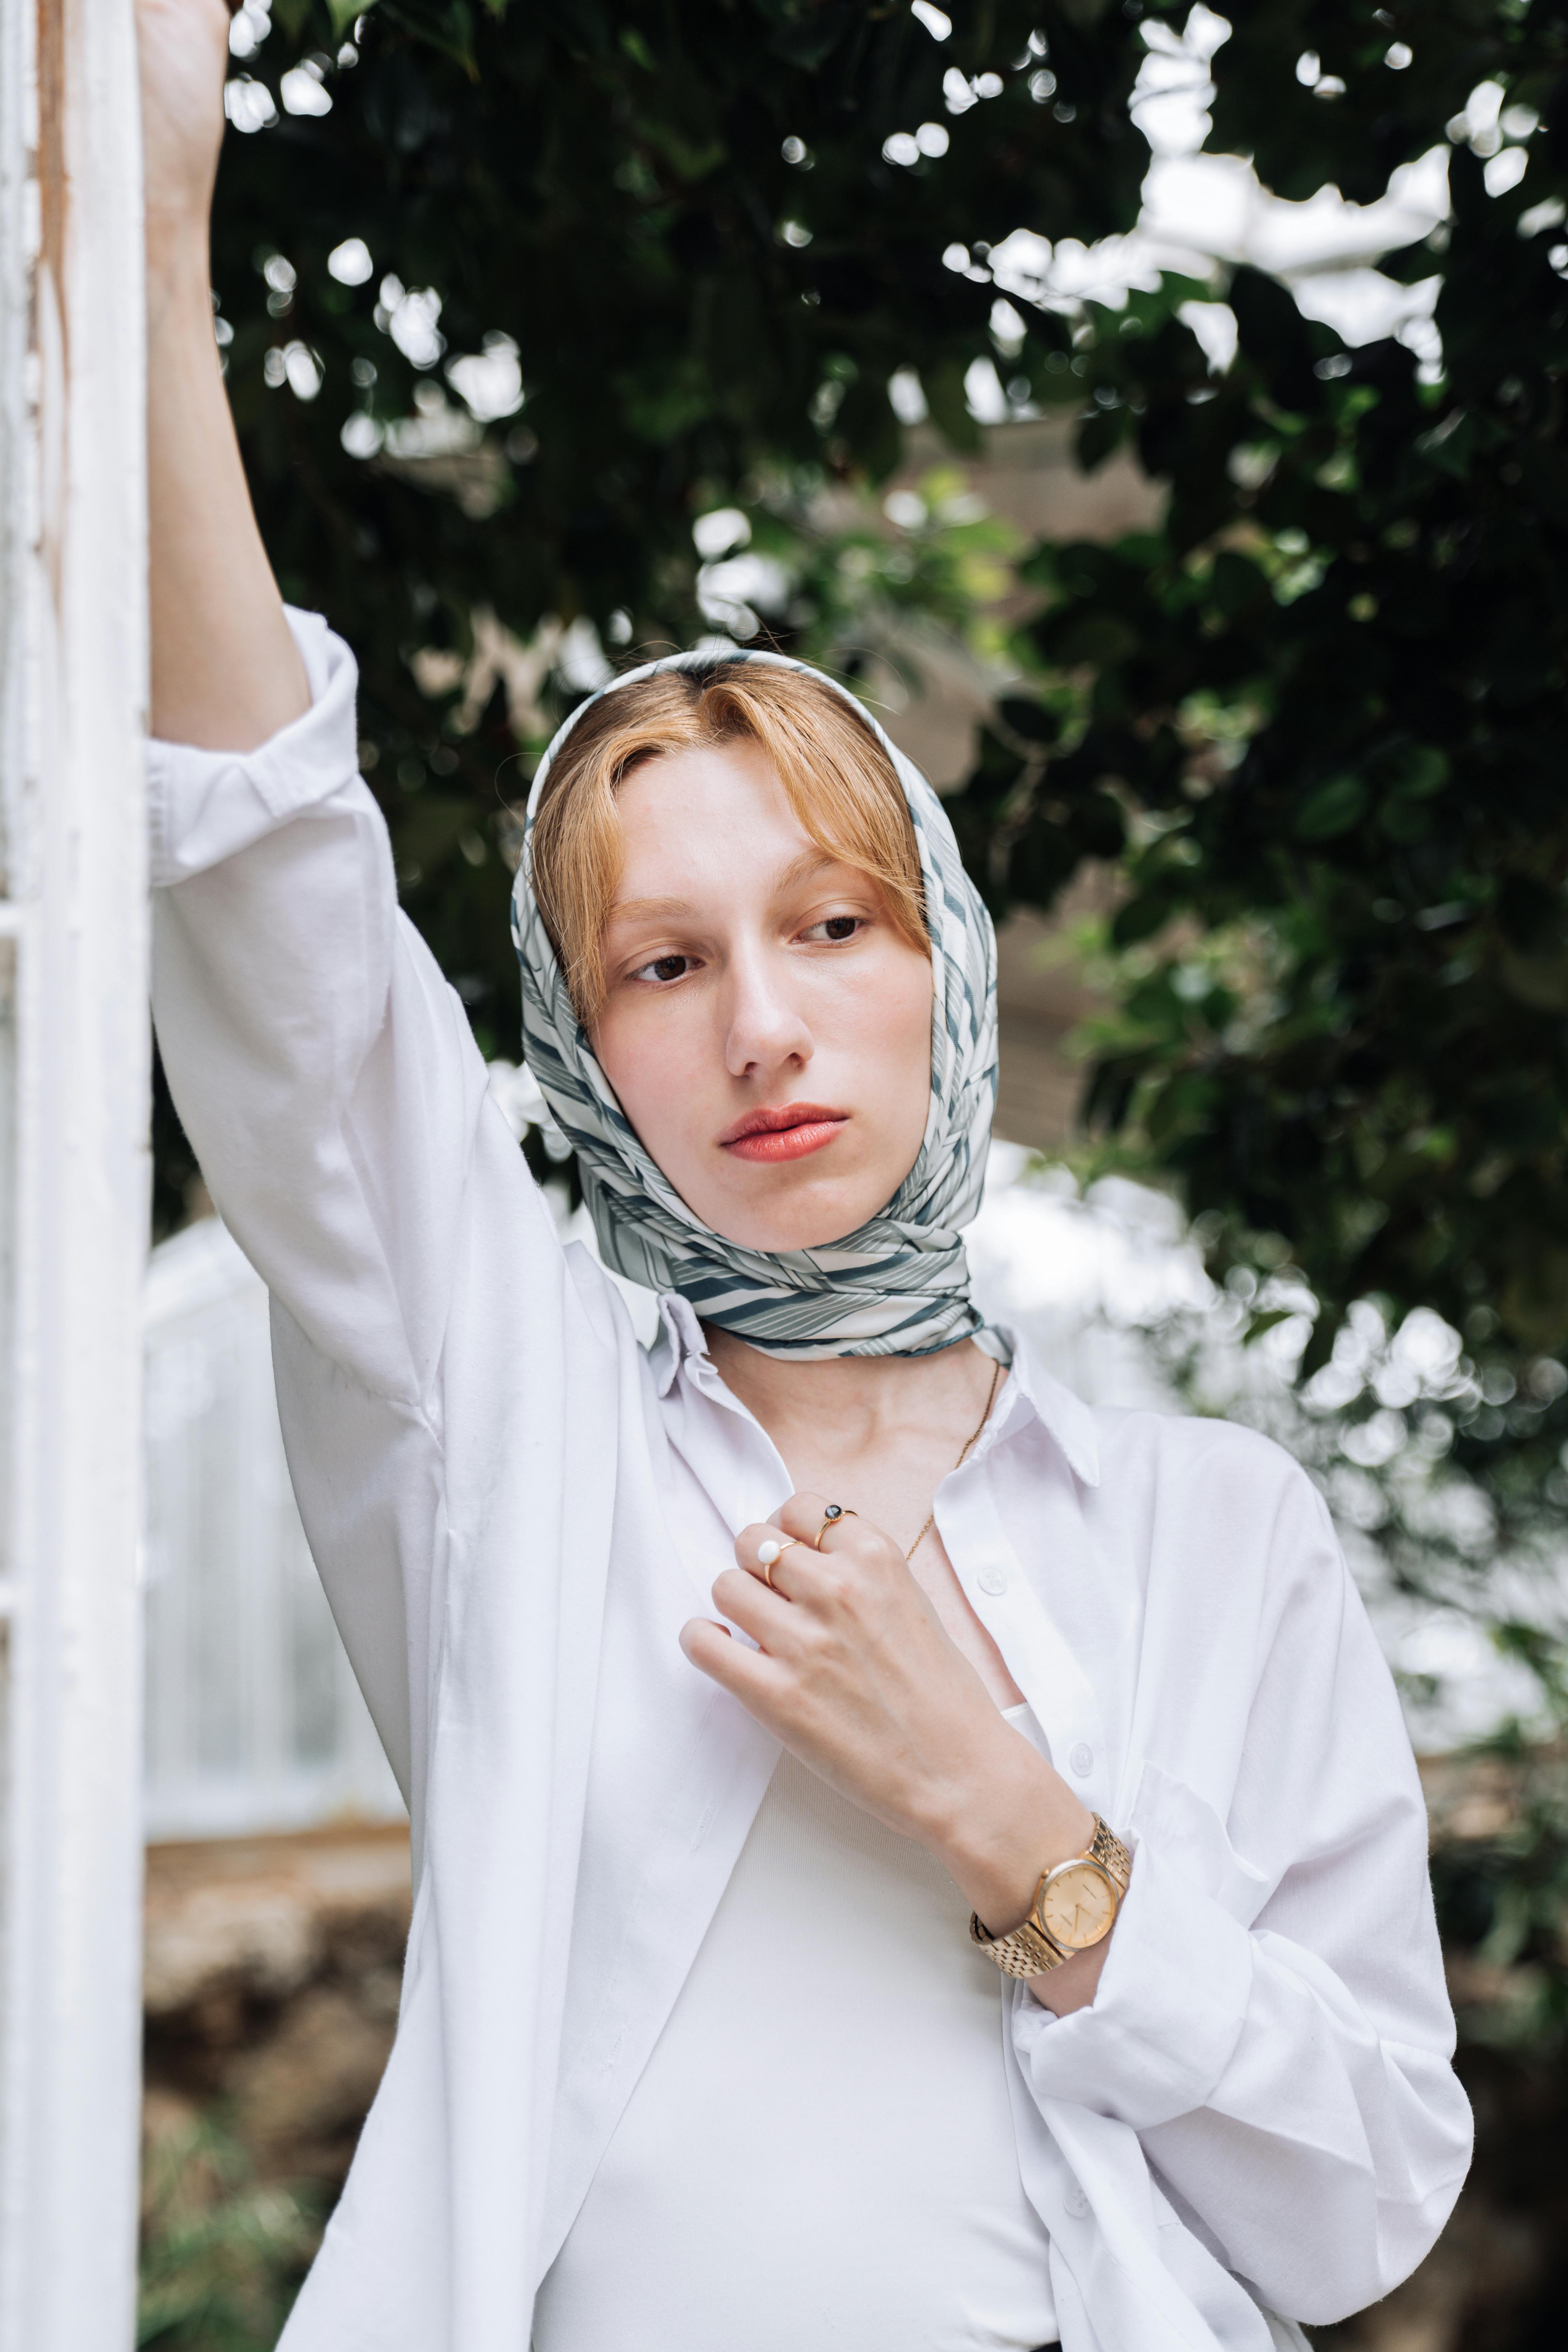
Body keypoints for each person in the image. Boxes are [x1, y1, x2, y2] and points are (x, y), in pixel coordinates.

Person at [137, 7, 1472, 2350]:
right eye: (662, 962)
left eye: (831, 923)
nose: (760, 1019)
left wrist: (1006, 1810)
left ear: (942, 962)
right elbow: (276, 893)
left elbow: (1363, 2209)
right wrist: (151, 249)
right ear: (585, 1054)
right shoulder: (509, 1427)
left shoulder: (1211, 1527)